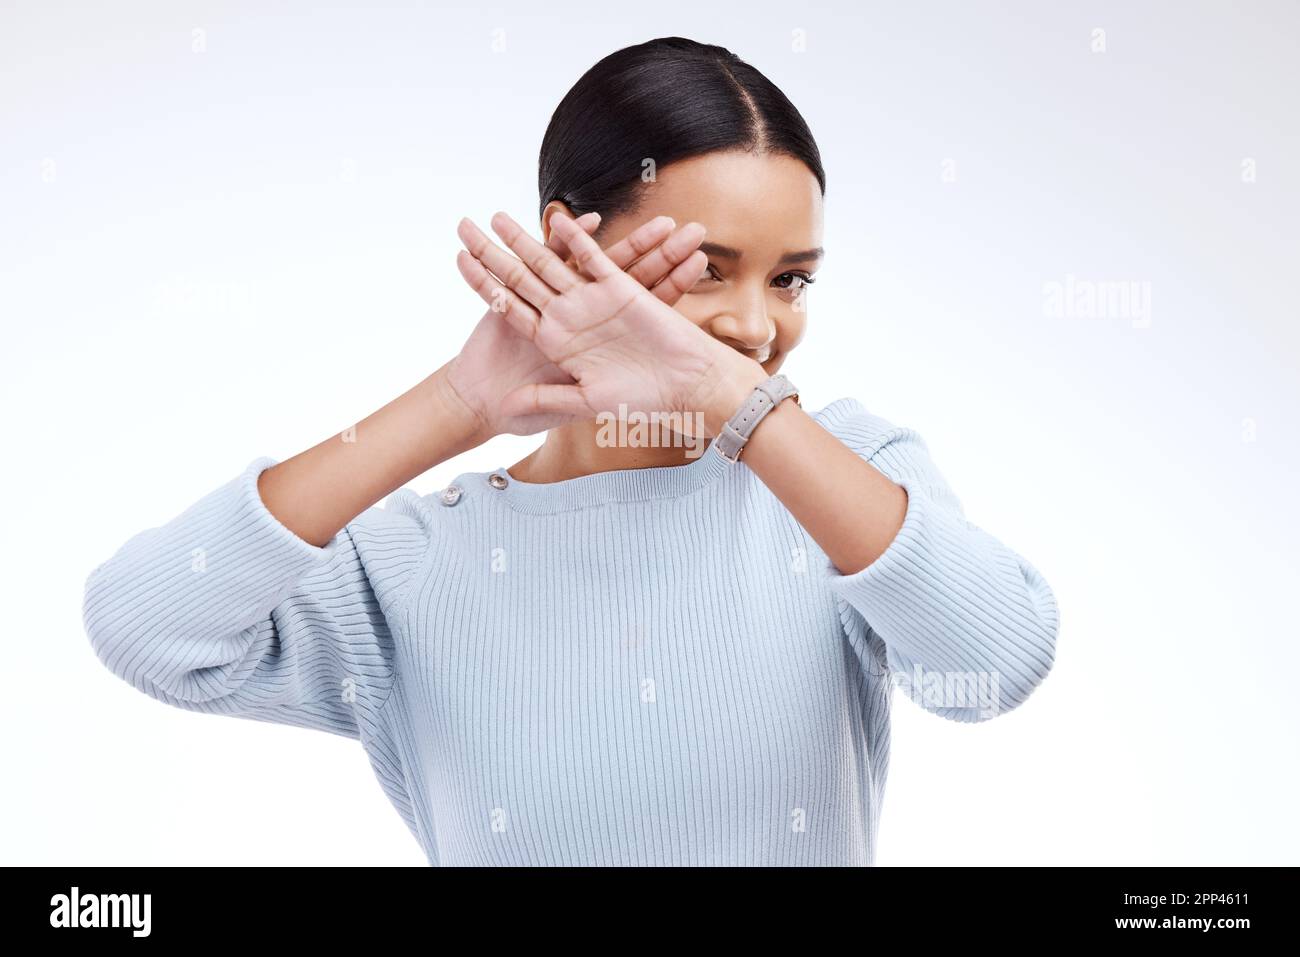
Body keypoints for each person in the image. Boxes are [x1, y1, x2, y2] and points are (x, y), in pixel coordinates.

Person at [82, 36, 1058, 866]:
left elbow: (997, 661)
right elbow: (147, 629)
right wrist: (459, 402)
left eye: (791, 280)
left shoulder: (839, 473)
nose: (758, 324)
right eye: (706, 270)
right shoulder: (420, 562)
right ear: (569, 244)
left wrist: (741, 405)